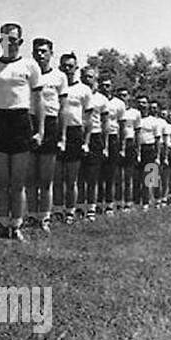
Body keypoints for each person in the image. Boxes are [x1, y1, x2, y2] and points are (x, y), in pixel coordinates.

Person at [0, 24, 44, 240]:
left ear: (20, 42)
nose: (9, 43)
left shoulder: (30, 66)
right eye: (4, 39)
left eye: (13, 39)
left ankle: (16, 225)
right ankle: (3, 223)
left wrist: (39, 131)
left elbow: (38, 102)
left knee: (18, 181)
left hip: (21, 122)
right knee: (1, 181)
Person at [26, 38, 67, 231]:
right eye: (37, 51)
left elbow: (64, 109)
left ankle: (45, 217)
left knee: (46, 178)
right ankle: (32, 215)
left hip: (51, 124)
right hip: (30, 121)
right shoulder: (27, 72)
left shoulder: (59, 77)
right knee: (30, 176)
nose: (40, 54)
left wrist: (62, 136)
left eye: (44, 51)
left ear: (51, 53)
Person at [53, 54, 90, 225]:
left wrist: (86, 141)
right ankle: (58, 210)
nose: (67, 69)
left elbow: (88, 119)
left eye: (70, 66)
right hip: (57, 130)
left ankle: (70, 211)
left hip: (75, 133)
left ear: (76, 68)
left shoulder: (84, 90)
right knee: (57, 176)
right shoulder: (56, 84)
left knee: (71, 178)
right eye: (64, 66)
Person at [77, 66, 108, 220]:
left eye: (90, 77)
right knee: (78, 175)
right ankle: (78, 206)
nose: (86, 80)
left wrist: (105, 145)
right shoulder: (76, 92)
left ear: (95, 79)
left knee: (92, 176)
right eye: (84, 76)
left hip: (95, 137)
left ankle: (91, 208)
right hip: (78, 135)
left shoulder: (101, 99)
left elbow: (105, 123)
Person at [97, 73, 125, 216]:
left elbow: (122, 126)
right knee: (98, 173)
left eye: (107, 85)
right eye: (102, 85)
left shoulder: (119, 104)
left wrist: (122, 146)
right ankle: (97, 203)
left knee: (111, 173)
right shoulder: (96, 99)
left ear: (112, 87)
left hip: (113, 138)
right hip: (98, 137)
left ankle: (109, 204)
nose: (105, 88)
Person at [118, 87, 141, 212]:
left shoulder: (135, 113)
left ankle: (130, 202)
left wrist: (138, 148)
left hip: (131, 143)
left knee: (129, 176)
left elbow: (138, 132)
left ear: (129, 97)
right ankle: (118, 202)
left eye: (125, 95)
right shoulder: (115, 108)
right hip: (117, 142)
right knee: (118, 176)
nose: (122, 97)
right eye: (120, 95)